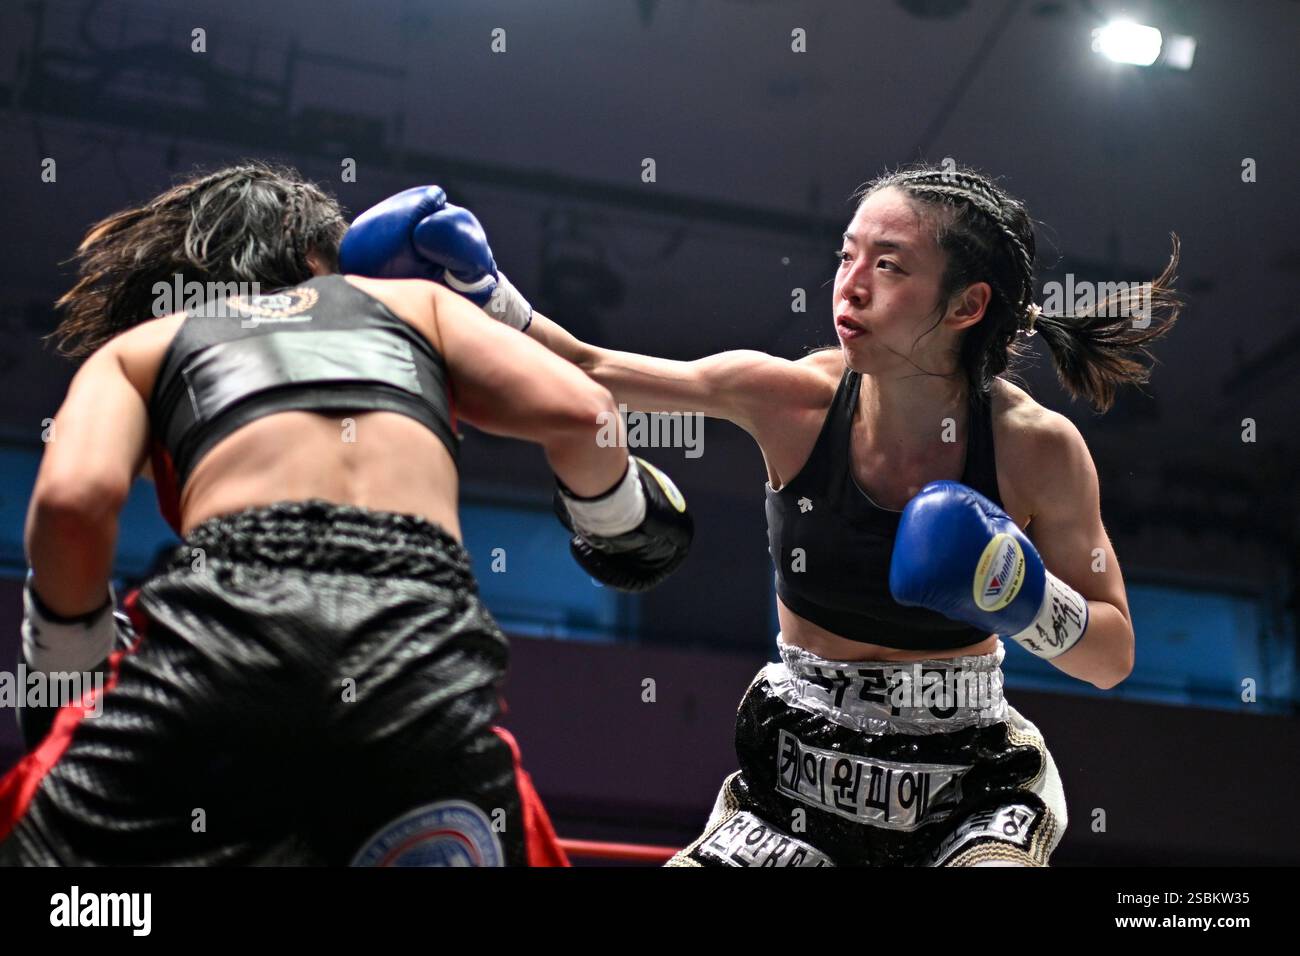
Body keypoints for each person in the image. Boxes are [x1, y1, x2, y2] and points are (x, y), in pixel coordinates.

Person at [340, 164, 1181, 866]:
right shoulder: (791, 400)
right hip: (795, 774)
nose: (849, 285)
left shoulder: (1038, 450)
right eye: (847, 254)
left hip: (969, 787)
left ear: (965, 306)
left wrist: (1026, 598)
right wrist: (483, 296)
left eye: (889, 266)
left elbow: (1112, 656)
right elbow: (594, 368)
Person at [0, 163, 692, 866]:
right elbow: (583, 410)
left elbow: (70, 507)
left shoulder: (143, 350)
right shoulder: (415, 310)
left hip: (223, 646)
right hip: (421, 662)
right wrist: (623, 523)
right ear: (315, 259)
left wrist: (68, 682)